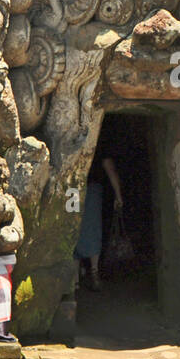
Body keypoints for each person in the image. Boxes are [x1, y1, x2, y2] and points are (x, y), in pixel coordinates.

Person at [75, 123, 124, 291]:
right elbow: (110, 170)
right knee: (91, 229)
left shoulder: (74, 138)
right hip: (90, 191)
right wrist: (118, 196)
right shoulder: (100, 142)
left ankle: (75, 276)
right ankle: (94, 273)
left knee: (73, 227)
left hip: (72, 189)